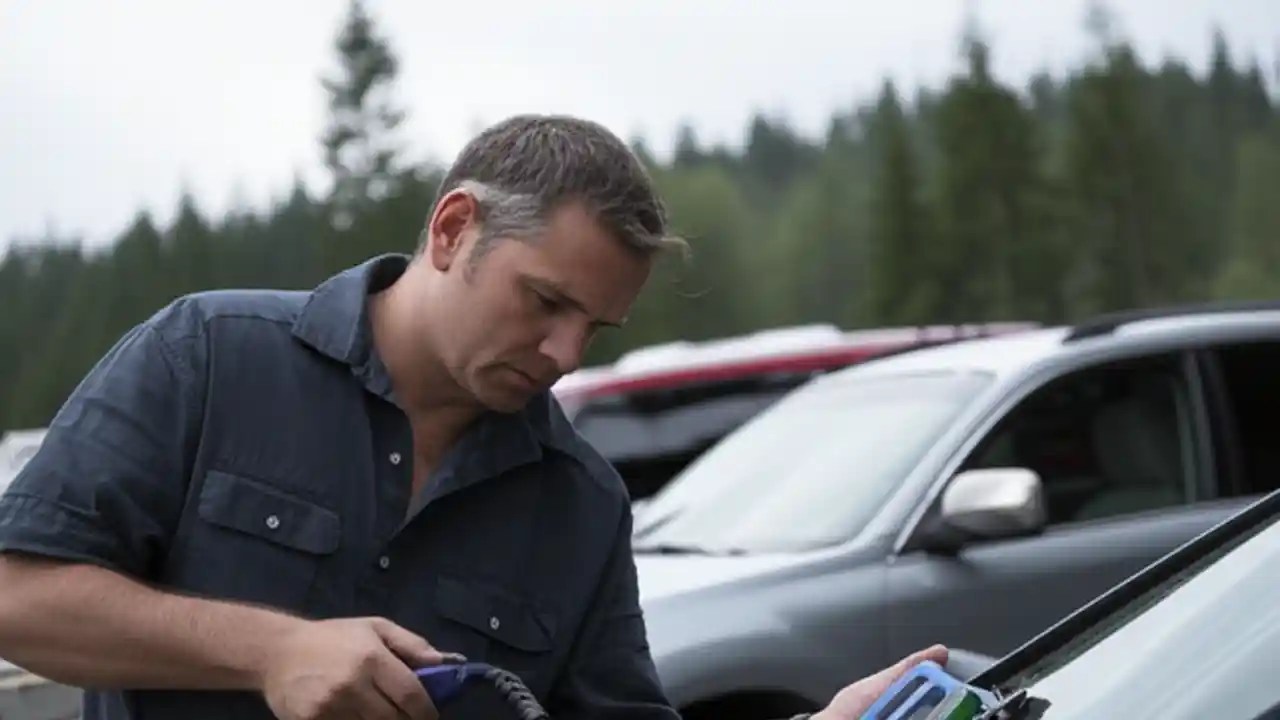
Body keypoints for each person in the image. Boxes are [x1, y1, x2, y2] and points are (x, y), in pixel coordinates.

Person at [0, 114, 946, 720]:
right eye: (544, 303)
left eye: (596, 328)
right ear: (453, 229)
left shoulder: (582, 502)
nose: (567, 356)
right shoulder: (208, 356)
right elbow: (17, 600)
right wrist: (271, 650)